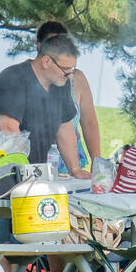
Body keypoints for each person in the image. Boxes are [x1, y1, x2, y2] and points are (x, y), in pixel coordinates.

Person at [0, 33, 89, 272]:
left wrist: (76, 169)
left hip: (31, 180)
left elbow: (65, 128)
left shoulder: (59, 85)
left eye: (73, 70)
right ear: (46, 61)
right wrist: (29, 176)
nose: (70, 76)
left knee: (55, 232)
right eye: (66, 69)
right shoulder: (14, 79)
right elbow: (9, 130)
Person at [36, 20, 100, 173]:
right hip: (37, 162)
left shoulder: (76, 78)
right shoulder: (27, 76)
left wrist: (96, 161)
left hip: (71, 164)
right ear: (39, 46)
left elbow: (89, 121)